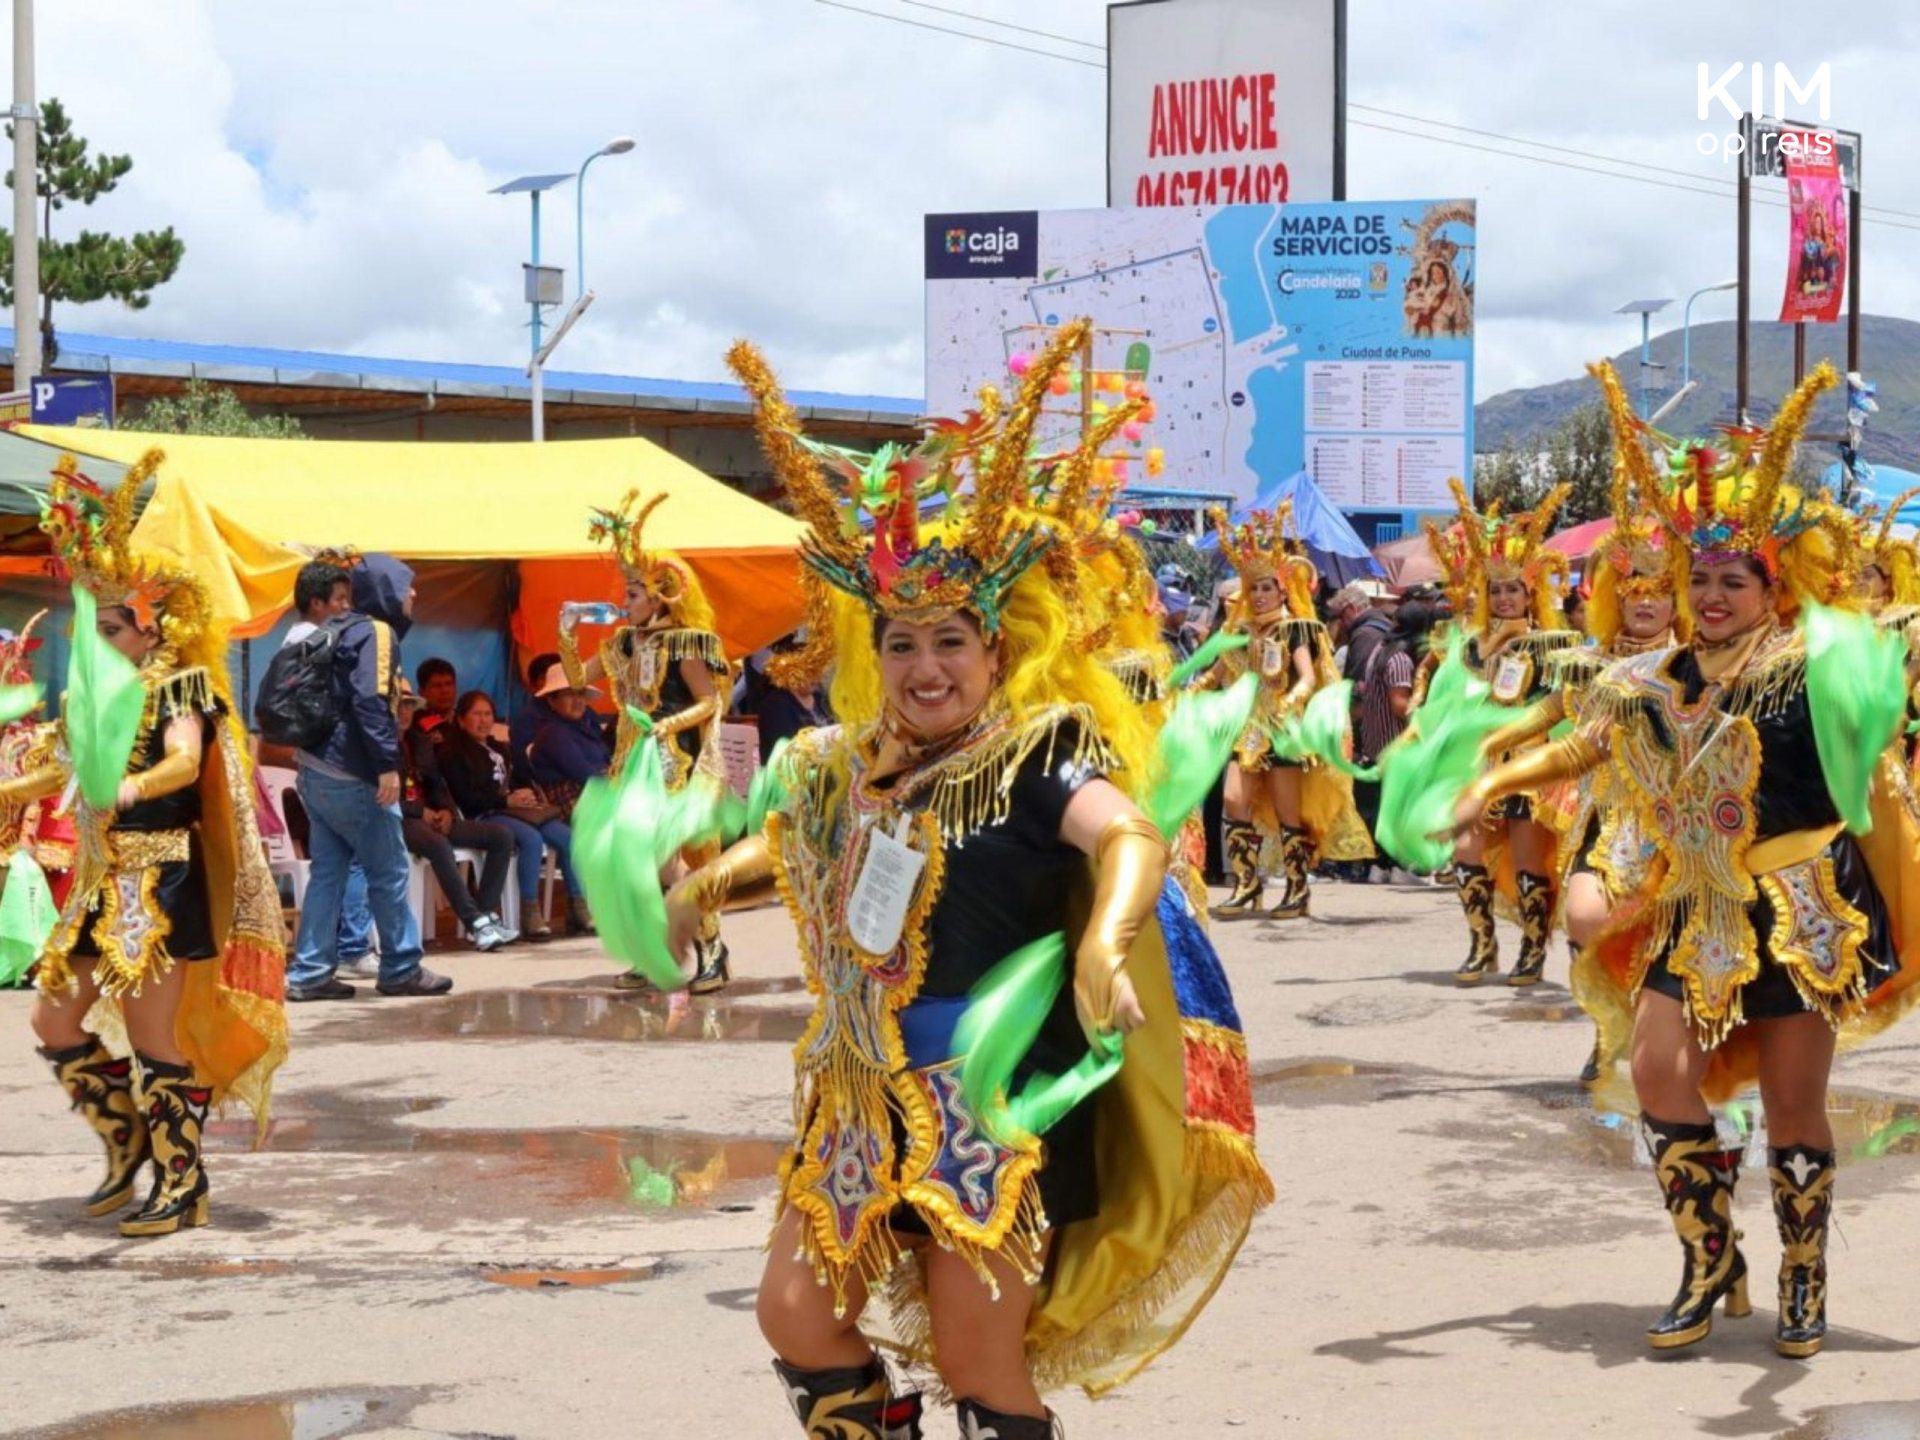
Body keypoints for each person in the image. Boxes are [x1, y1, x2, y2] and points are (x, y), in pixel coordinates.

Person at [684, 328, 1269, 1437]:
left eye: (951, 640)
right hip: (855, 1099)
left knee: (979, 1364)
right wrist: (707, 881)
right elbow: (799, 862)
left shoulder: (1036, 755)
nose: (926, 668)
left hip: (987, 1111)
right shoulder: (841, 768)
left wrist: (1105, 943)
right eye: (901, 643)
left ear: (997, 649)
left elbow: (1130, 837)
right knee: (797, 1319)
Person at [1453, 360, 1920, 1359]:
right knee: (1661, 1073)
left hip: (1801, 909)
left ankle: (1803, 1275)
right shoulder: (1652, 676)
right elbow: (1585, 741)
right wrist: (1495, 780)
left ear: (1770, 584)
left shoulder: (1810, 665)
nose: (1709, 596)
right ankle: (1710, 1257)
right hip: (1698, 908)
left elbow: (1890, 673)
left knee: (1793, 1102)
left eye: (1731, 579)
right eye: (1697, 578)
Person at [13, 451, 286, 1237]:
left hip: (158, 880)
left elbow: (184, 760)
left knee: (150, 1037)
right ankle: (129, 1140)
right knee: (53, 1025)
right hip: (101, 884)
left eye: (110, 627)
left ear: (148, 624)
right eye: (89, 626)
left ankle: (183, 1182)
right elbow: (57, 774)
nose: (96, 639)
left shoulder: (180, 685)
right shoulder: (88, 698)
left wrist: (129, 788)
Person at [1474, 428, 1691, 1076]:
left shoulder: (1698, 665)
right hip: (1603, 813)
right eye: (1633, 592)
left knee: (1662, 936)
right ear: (1610, 596)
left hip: (1680, 818)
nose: (1645, 604)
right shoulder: (1585, 662)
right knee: (1586, 916)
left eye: (1657, 593)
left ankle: (1664, 1041)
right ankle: (1606, 1029)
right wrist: (1497, 740)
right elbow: (1554, 713)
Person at [559, 489, 734, 990]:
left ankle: (712, 953)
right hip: (632, 762)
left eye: (633, 594)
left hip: (677, 763)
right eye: (626, 592)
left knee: (687, 861)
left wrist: (666, 725)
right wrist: (566, 632)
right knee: (635, 859)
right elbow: (576, 678)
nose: (624, 601)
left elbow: (709, 702)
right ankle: (654, 952)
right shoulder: (620, 643)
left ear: (659, 596)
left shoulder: (687, 641)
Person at [1424, 478, 1579, 984]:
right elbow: (1461, 698)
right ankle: (1481, 944)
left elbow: (1557, 704)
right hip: (1479, 763)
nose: (1506, 598)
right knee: (1467, 852)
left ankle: (1532, 950)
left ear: (1531, 591)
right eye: (1497, 590)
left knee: (1529, 857)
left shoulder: (1555, 643)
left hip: (1528, 766)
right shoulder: (1473, 647)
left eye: (1514, 589)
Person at [285, 554, 452, 1001]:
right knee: (390, 869)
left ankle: (310, 973)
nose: (414, 593)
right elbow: (370, 701)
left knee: (328, 873)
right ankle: (401, 965)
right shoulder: (374, 632)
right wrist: (386, 766)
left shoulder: (337, 629)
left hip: (314, 769)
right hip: (352, 771)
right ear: (386, 590)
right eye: (406, 585)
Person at [1209, 504, 1371, 920]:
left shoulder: (1296, 628)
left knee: (1287, 812)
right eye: (1254, 587)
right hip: (1249, 728)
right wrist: (1187, 688)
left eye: (1267, 587)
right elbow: (1215, 674)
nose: (1260, 594)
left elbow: (1306, 677)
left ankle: (1297, 889)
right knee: (1232, 800)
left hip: (1283, 728)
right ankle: (1247, 884)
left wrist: (1293, 700)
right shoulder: (1239, 632)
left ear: (1283, 590)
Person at [273, 556, 375, 980]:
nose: (345, 607)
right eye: (338, 599)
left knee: (330, 865)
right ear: (317, 602)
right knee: (358, 861)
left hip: (310, 767)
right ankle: (353, 946)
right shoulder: (319, 641)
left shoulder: (293, 639)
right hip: (333, 766)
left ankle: (314, 963)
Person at [438, 690, 588, 943]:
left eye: (488, 714)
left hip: (516, 812)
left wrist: (524, 792)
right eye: (476, 714)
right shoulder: (453, 753)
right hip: (485, 815)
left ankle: (578, 908)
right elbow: (466, 798)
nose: (484, 720)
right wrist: (505, 800)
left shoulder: (499, 748)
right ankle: (530, 914)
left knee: (566, 836)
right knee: (530, 839)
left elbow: (518, 778)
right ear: (461, 720)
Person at [395, 686, 516, 950]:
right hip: (396, 819)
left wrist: (446, 811)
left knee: (501, 836)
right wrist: (420, 811)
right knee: (438, 844)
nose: (404, 712)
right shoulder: (376, 743)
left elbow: (437, 783)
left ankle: (484, 916)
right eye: (397, 705)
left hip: (430, 816)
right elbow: (379, 793)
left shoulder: (419, 740)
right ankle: (474, 920)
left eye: (408, 706)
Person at [523, 669, 613, 806]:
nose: (578, 700)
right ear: (552, 701)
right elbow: (585, 775)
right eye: (569, 694)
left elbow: (607, 759)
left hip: (598, 792)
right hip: (577, 802)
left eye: (581, 694)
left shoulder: (584, 726)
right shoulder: (553, 733)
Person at [413, 656, 458, 737]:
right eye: (437, 685)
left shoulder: (466, 720)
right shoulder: (413, 724)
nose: (445, 691)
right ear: (421, 691)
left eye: (449, 684)